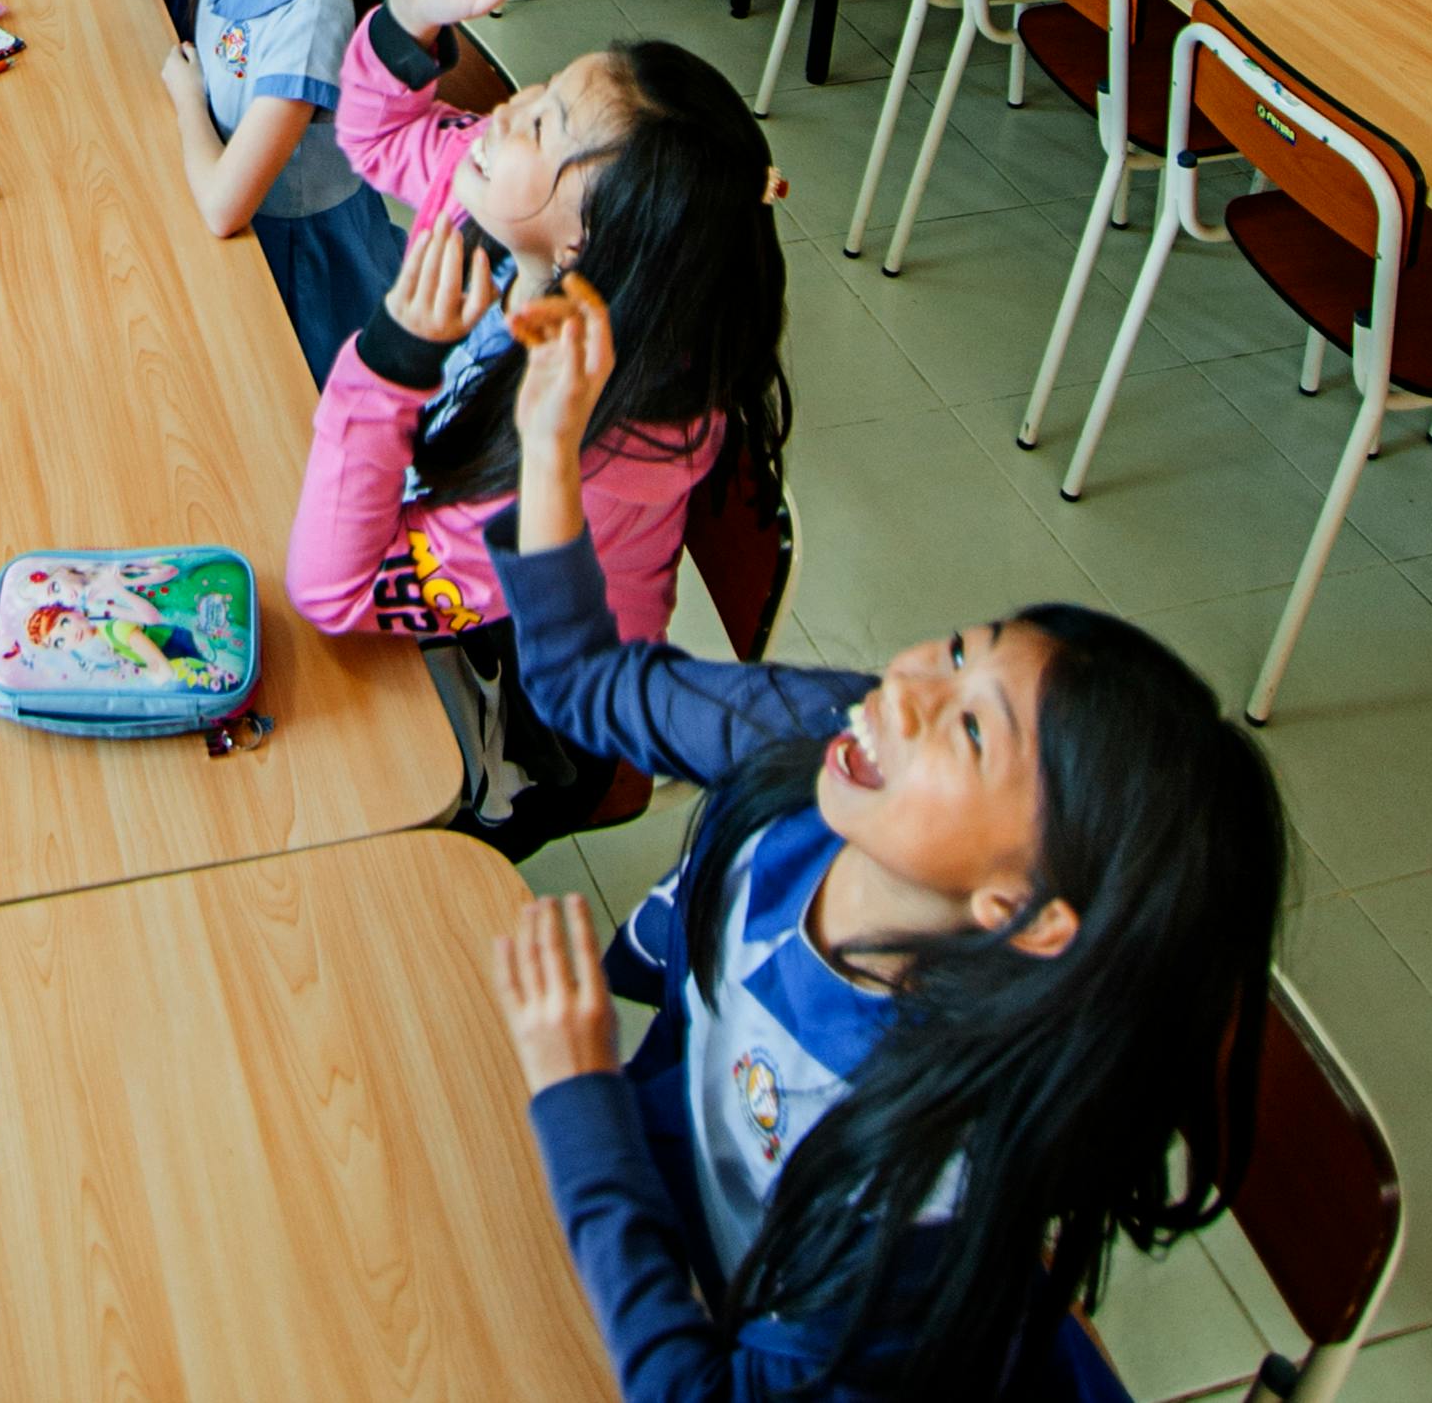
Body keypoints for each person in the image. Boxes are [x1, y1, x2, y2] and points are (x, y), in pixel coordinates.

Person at [485, 287, 1286, 1403]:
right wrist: (549, 439)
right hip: (649, 1235)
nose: (905, 685)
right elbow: (581, 680)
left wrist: (579, 1100)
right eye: (958, 647)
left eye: (968, 725)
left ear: (1021, 907)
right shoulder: (829, 737)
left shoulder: (924, 1189)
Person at [289, 0, 786, 702]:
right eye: (543, 88)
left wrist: (389, 362)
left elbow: (337, 592)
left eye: (542, 124)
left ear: (587, 242)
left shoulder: (579, 450)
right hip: (420, 523)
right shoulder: (505, 215)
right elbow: (375, 138)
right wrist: (408, 16)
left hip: (520, 697)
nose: (508, 108)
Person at [50, 0, 408, 381]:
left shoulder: (313, 15)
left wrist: (187, 95)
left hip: (299, 265)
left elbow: (223, 207)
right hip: (235, 214)